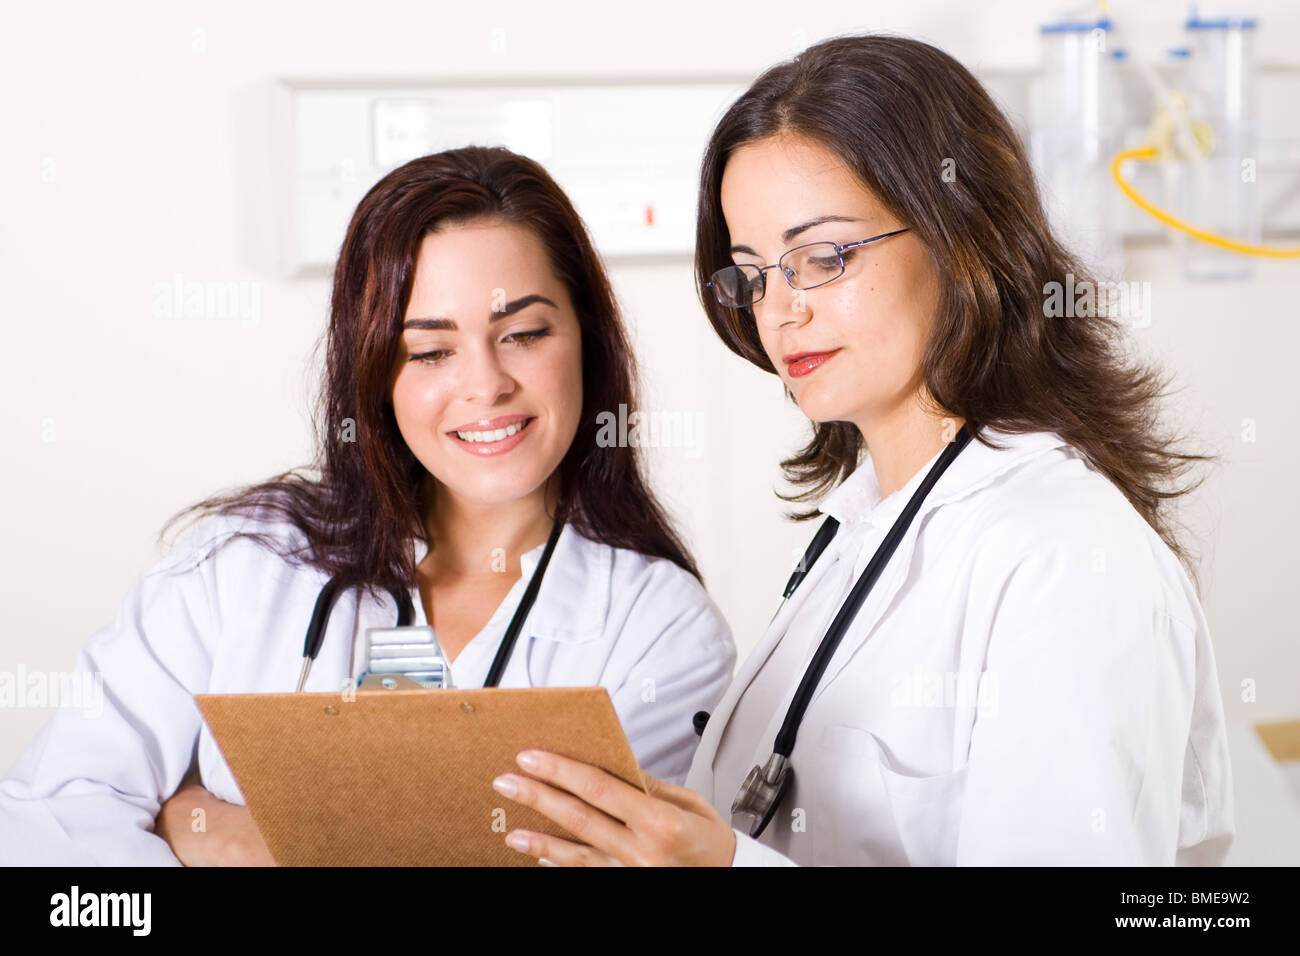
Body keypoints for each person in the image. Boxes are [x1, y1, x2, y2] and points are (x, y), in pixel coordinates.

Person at [489, 34, 1234, 866]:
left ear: (962, 235)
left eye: (823, 257)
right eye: (754, 273)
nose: (781, 311)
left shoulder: (1062, 557)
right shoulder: (861, 528)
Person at [0, 146, 735, 866]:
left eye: (522, 334)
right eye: (430, 351)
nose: (485, 385)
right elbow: (56, 819)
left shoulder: (658, 632)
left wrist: (228, 839)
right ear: (375, 372)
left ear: (588, 342)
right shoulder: (239, 567)